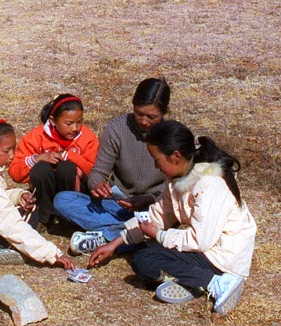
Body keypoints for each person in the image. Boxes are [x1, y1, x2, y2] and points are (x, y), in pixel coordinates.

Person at [88, 120, 257, 315]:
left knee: (144, 259)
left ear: (175, 157)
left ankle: (217, 282)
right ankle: (192, 282)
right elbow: (156, 216)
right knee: (145, 253)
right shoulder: (177, 181)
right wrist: (116, 243)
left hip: (223, 258)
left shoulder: (209, 184)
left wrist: (159, 235)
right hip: (208, 250)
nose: (155, 165)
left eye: (156, 159)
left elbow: (199, 241)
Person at [53, 77, 170, 252]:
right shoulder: (117, 128)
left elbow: (177, 188)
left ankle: (110, 237)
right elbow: (98, 172)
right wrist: (97, 185)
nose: (144, 121)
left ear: (164, 113)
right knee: (62, 200)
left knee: (166, 219)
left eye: (151, 117)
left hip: (154, 209)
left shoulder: (172, 135)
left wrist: (150, 199)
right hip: (117, 204)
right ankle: (129, 236)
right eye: (139, 114)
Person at [0, 119, 75, 269]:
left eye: (14, 148)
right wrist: (52, 254)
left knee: (24, 202)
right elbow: (8, 221)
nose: (12, 155)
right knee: (28, 212)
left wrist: (18, 195)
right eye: (6, 151)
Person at [8, 94, 99, 227]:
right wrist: (37, 158)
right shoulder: (36, 137)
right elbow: (15, 173)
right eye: (69, 123)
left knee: (66, 168)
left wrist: (70, 156)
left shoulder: (87, 137)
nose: (75, 128)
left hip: (75, 191)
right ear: (52, 121)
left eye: (79, 122)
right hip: (46, 193)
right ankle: (46, 217)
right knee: (41, 169)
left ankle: (69, 217)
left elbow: (95, 172)